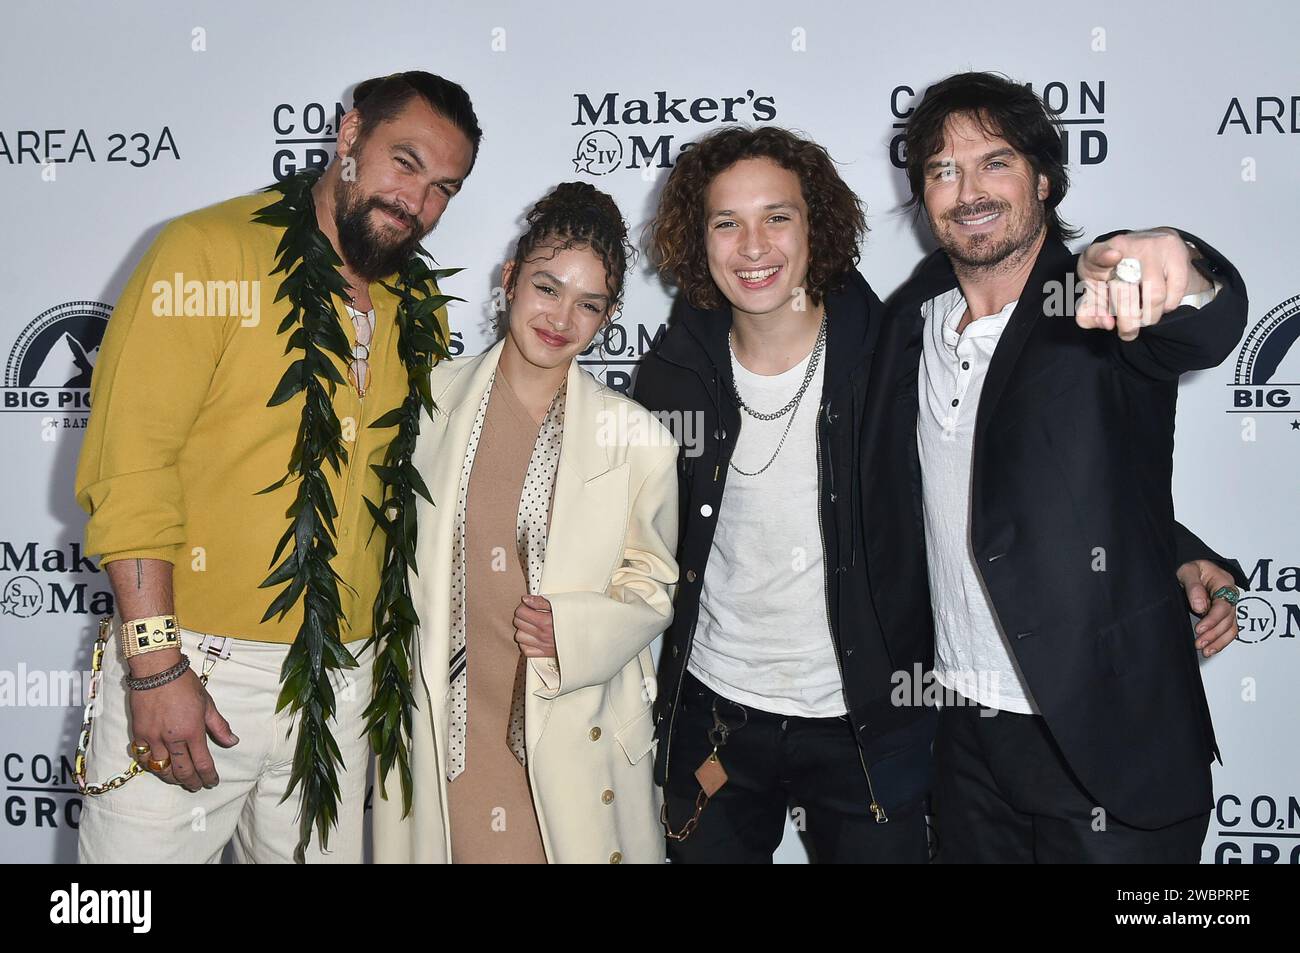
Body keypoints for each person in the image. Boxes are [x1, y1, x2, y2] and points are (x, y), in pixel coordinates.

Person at [633, 122, 1242, 863]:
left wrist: (1174, 549)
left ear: (815, 226)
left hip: (864, 720)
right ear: (698, 239)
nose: (752, 245)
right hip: (717, 714)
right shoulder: (674, 374)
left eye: (777, 216)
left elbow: (1012, 469)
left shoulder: (884, 345)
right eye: (726, 222)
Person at [73, 71, 481, 863]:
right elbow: (132, 468)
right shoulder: (205, 250)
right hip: (195, 664)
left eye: (443, 190)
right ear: (351, 134)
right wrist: (155, 665)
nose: (416, 202)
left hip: (342, 680)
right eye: (404, 162)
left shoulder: (415, 306)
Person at [864, 71, 1249, 862]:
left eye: (994, 163)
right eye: (942, 170)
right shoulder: (911, 316)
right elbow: (1009, 485)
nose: (967, 190)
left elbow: (1203, 330)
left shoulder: (1099, 301)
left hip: (1108, 738)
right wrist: (1177, 548)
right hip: (963, 734)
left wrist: (1180, 264)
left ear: (1043, 178)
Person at [372, 182, 678, 864]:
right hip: (447, 718)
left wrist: (574, 628)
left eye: (589, 304)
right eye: (546, 286)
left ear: (608, 316)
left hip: (570, 716)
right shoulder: (426, 402)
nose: (561, 316)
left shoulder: (637, 439)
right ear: (509, 279)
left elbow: (653, 586)